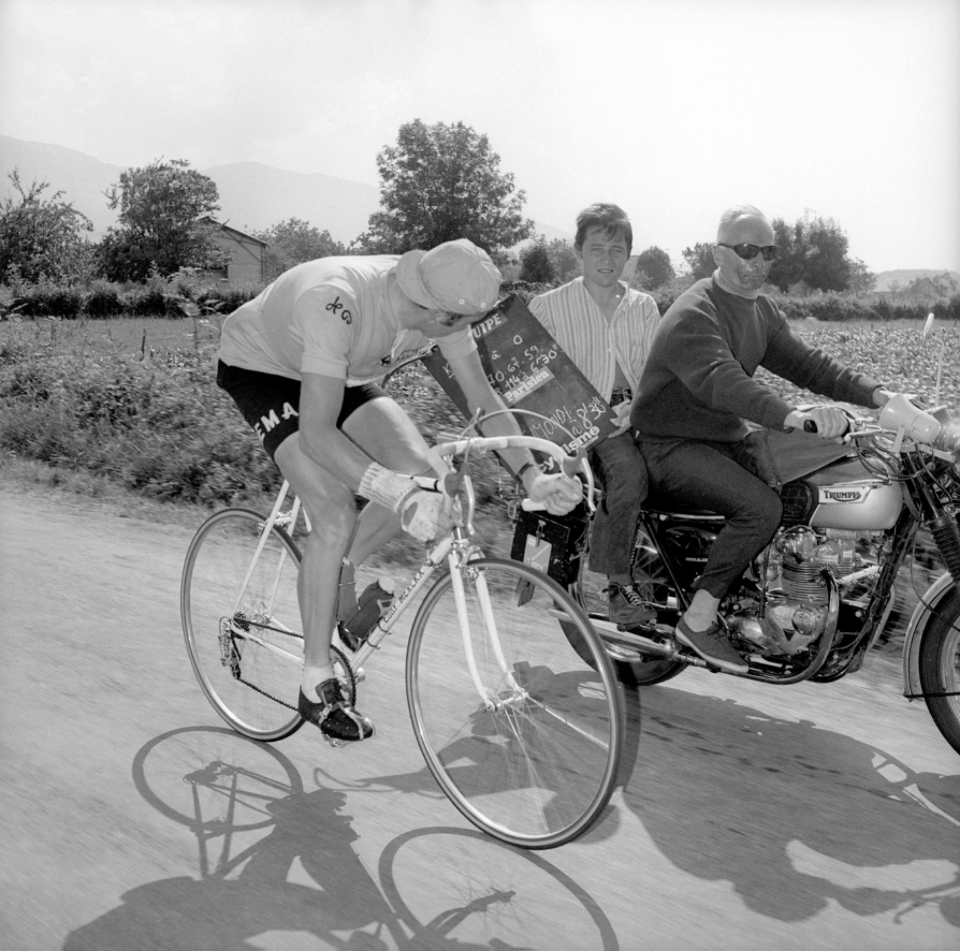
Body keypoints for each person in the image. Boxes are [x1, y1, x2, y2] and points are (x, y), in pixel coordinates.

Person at [217, 239, 583, 741]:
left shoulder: (442, 303)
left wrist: (533, 477)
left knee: (426, 477)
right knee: (336, 512)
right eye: (463, 322)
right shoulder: (336, 303)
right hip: (264, 367)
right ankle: (315, 682)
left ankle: (338, 570)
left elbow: (482, 396)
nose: (466, 331)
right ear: (440, 312)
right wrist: (396, 494)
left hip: (345, 372)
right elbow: (318, 434)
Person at [631, 205, 892, 673]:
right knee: (759, 507)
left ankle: (772, 599)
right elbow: (723, 380)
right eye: (747, 250)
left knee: (802, 485)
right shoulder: (695, 310)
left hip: (724, 439)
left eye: (768, 252)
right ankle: (698, 619)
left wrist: (880, 396)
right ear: (719, 253)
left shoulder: (761, 310)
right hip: (670, 443)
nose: (759, 262)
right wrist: (793, 416)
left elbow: (811, 366)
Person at [528, 203, 660, 628]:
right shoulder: (549, 306)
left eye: (617, 250)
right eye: (597, 249)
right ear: (579, 251)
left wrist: (636, 408)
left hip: (640, 414)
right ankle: (617, 585)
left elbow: (657, 371)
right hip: (582, 422)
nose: (607, 259)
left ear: (628, 255)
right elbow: (528, 378)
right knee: (628, 475)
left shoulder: (643, 306)